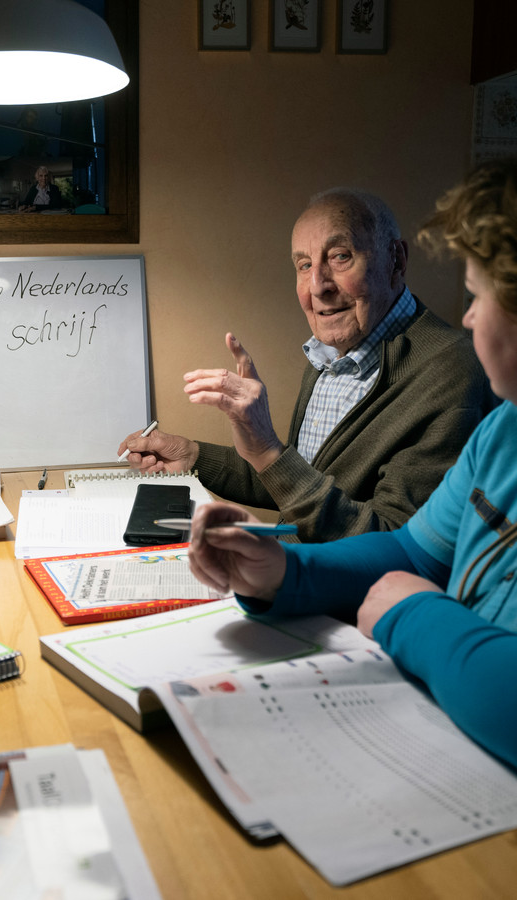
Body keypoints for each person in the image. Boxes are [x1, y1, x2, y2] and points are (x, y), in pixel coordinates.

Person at [187, 158, 517, 769]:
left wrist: (413, 614)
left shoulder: (453, 372)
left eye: (477, 296)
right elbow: (414, 552)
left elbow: (403, 571)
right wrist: (283, 572)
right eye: (305, 265)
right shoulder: (505, 429)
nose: (467, 316)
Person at [120, 188, 495, 542]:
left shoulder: (451, 372)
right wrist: (193, 456)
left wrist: (267, 448)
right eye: (303, 265)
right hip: (292, 573)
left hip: (344, 603)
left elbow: (393, 542)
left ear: (396, 260)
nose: (318, 285)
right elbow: (294, 482)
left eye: (340, 256)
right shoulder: (330, 353)